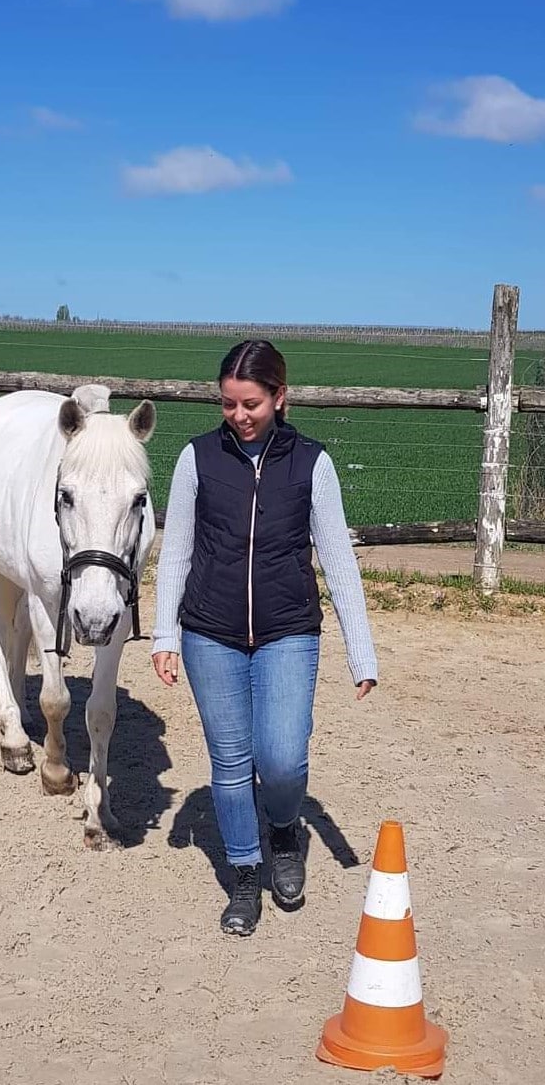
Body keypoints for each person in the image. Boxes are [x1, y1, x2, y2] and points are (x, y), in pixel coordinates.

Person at [152, 340, 377, 937]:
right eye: (228, 404)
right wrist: (164, 634)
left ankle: (283, 830)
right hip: (210, 633)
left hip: (287, 632)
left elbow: (337, 559)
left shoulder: (311, 462)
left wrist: (362, 651)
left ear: (280, 397)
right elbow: (175, 552)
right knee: (229, 762)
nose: (239, 415)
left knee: (280, 760)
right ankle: (245, 875)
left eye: (251, 403)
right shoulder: (197, 458)